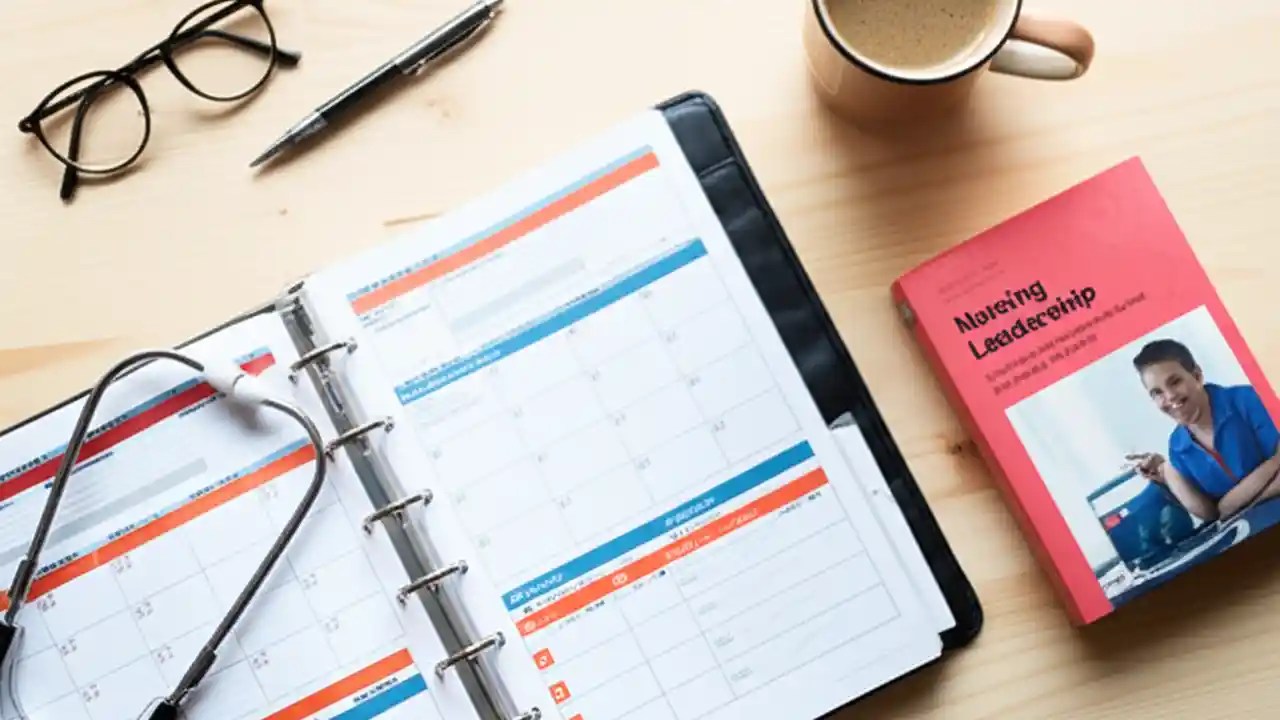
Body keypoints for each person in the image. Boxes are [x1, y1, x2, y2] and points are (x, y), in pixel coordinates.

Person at [1125, 339, 1280, 522]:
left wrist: (1231, 505)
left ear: (1197, 376)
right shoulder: (1176, 447)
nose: (1169, 396)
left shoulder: (1248, 399)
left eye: (1174, 382)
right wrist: (1165, 470)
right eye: (1157, 392)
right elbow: (1209, 514)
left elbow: (1223, 511)